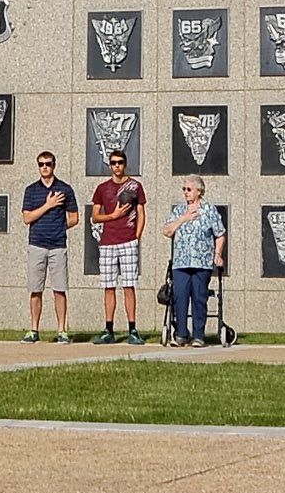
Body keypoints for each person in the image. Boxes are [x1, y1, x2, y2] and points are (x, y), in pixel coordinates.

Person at [16, 150, 78, 341]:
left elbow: (74, 218)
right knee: (36, 289)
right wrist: (48, 205)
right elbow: (27, 218)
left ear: (54, 165)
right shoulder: (31, 190)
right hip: (36, 245)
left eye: (48, 164)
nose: (45, 167)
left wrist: (59, 227)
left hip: (58, 245)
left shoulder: (65, 189)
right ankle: (34, 330)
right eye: (41, 164)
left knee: (59, 289)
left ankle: (61, 331)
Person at [88, 147, 147, 345]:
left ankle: (132, 329)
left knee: (129, 286)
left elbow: (141, 213)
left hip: (128, 241)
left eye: (120, 163)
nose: (116, 166)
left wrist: (136, 237)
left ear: (125, 164)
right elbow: (95, 216)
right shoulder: (102, 188)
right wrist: (112, 216)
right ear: (109, 165)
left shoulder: (135, 186)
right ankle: (108, 329)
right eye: (113, 163)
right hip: (108, 243)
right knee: (108, 286)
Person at [158, 175, 224, 347]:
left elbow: (220, 234)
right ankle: (180, 334)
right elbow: (166, 231)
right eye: (184, 189)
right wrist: (182, 219)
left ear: (199, 191)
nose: (186, 193)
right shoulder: (179, 211)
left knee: (199, 298)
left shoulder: (209, 210)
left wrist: (217, 254)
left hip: (202, 262)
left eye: (189, 189)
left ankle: (199, 336)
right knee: (179, 297)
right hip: (181, 263)